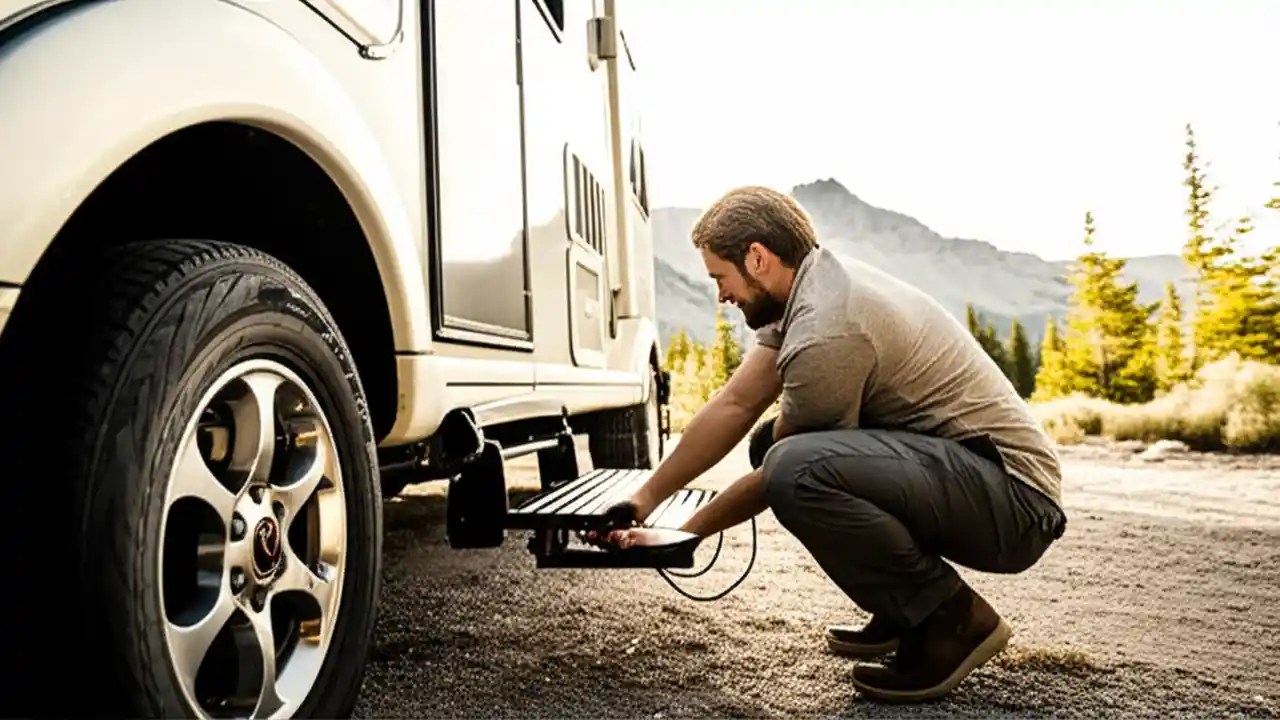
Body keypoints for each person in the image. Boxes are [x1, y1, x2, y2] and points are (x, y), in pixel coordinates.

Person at [599, 185, 1067, 703]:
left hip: (1016, 504)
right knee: (774, 448)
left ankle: (950, 620)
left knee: (792, 467)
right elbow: (735, 403)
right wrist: (645, 499)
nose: (722, 296)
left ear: (757, 258)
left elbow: (785, 473)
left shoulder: (827, 326)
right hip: (975, 479)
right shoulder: (805, 289)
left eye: (720, 278)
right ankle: (900, 608)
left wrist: (685, 534)